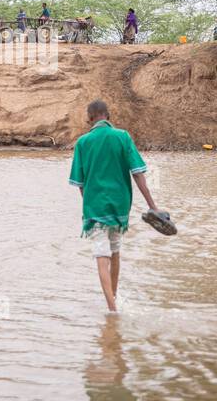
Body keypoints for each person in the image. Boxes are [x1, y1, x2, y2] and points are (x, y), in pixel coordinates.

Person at [68, 100, 164, 313]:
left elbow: (80, 184)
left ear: (90, 118)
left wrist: (89, 205)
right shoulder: (122, 137)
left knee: (101, 254)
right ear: (108, 116)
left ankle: (112, 309)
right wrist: (152, 206)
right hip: (121, 205)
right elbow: (138, 173)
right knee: (115, 250)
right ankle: (114, 296)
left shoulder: (83, 142)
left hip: (95, 207)